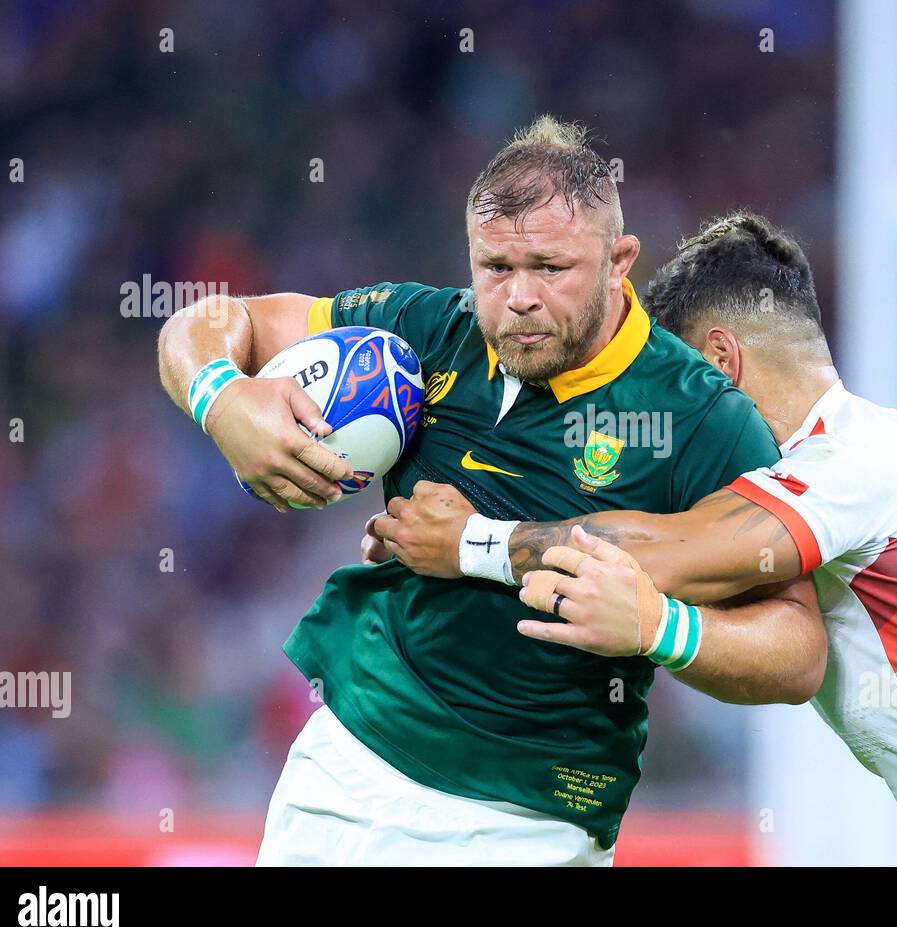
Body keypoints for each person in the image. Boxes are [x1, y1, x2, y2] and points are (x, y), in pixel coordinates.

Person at [372, 212, 897, 866]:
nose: (678, 414)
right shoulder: (824, 467)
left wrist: (473, 542)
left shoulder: (854, 457)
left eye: (681, 379)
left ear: (721, 360)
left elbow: (670, 551)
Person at [157, 119, 825, 866]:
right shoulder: (425, 331)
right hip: (343, 772)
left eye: (550, 267)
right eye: (496, 267)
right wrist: (221, 397)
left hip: (529, 819)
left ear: (619, 262)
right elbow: (215, 321)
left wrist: (661, 626)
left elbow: (797, 651)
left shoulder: (699, 417)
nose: (519, 299)